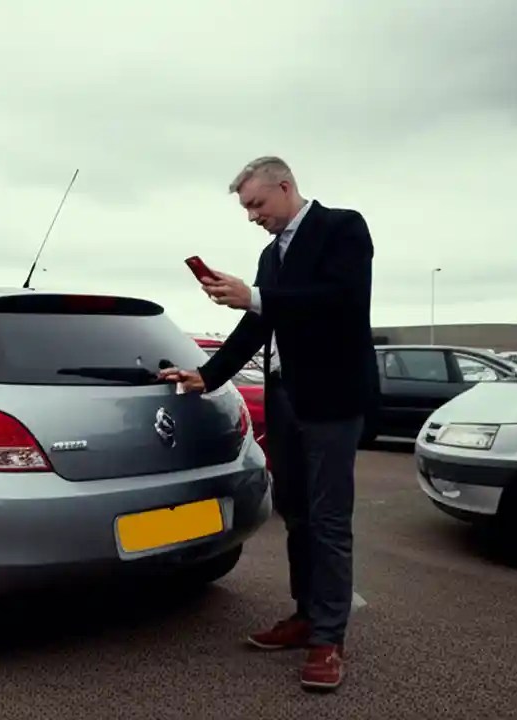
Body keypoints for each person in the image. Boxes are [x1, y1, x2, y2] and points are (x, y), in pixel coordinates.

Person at [158, 156, 377, 692]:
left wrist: (255, 296)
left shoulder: (342, 227)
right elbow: (259, 326)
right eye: (246, 208)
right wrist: (207, 376)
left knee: (328, 519)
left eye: (257, 204)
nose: (252, 216)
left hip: (332, 399)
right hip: (284, 398)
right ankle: (306, 616)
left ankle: (329, 639)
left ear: (285, 187)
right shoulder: (269, 255)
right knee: (296, 514)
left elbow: (341, 302)